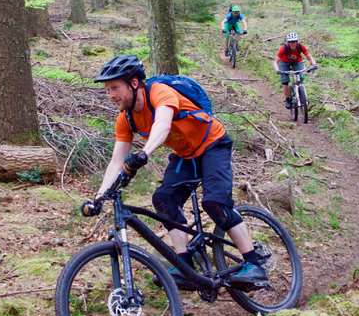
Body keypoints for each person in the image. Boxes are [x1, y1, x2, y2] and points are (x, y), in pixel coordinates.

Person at [90, 54, 267, 290]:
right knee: (164, 199)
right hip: (186, 155)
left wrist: (144, 153)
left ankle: (254, 264)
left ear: (133, 83)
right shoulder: (126, 119)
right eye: (107, 90)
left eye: (115, 88)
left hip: (213, 144)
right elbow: (116, 162)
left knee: (215, 202)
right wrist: (99, 197)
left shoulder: (159, 92)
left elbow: (162, 125)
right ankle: (185, 266)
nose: (110, 95)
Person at [273, 32, 317, 109]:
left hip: (297, 62)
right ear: (287, 42)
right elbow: (276, 61)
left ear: (297, 41)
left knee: (301, 77)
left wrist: (314, 64)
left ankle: (301, 93)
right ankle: (288, 99)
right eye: (290, 42)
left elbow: (309, 56)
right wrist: (277, 69)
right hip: (284, 63)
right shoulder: (283, 48)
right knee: (285, 81)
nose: (292, 43)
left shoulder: (300, 47)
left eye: (294, 41)